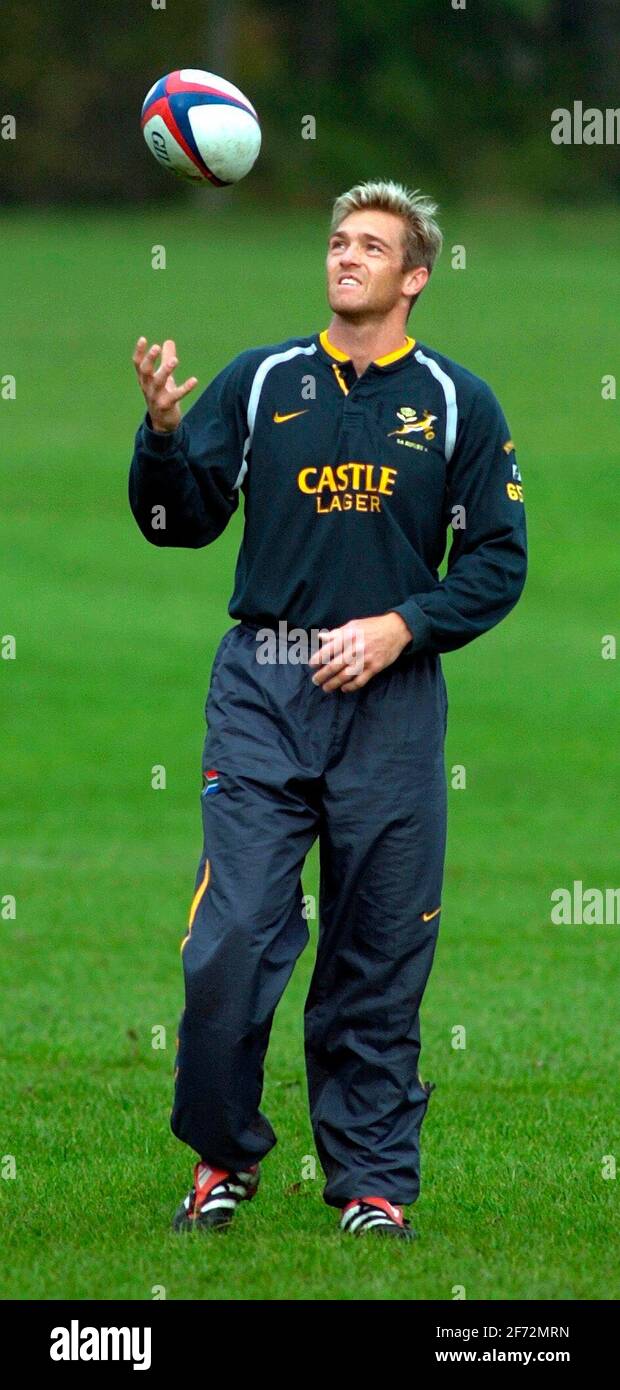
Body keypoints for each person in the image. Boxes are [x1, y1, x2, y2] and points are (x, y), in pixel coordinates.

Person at [129, 179, 527, 1242]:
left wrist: (402, 626)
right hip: (263, 685)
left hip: (392, 704)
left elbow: (496, 561)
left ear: (414, 276)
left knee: (377, 949)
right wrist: (164, 436)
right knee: (233, 938)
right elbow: (176, 523)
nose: (345, 256)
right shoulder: (261, 382)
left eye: (370, 246)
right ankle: (223, 1156)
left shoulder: (454, 400)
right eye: (336, 240)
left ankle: (370, 1183)